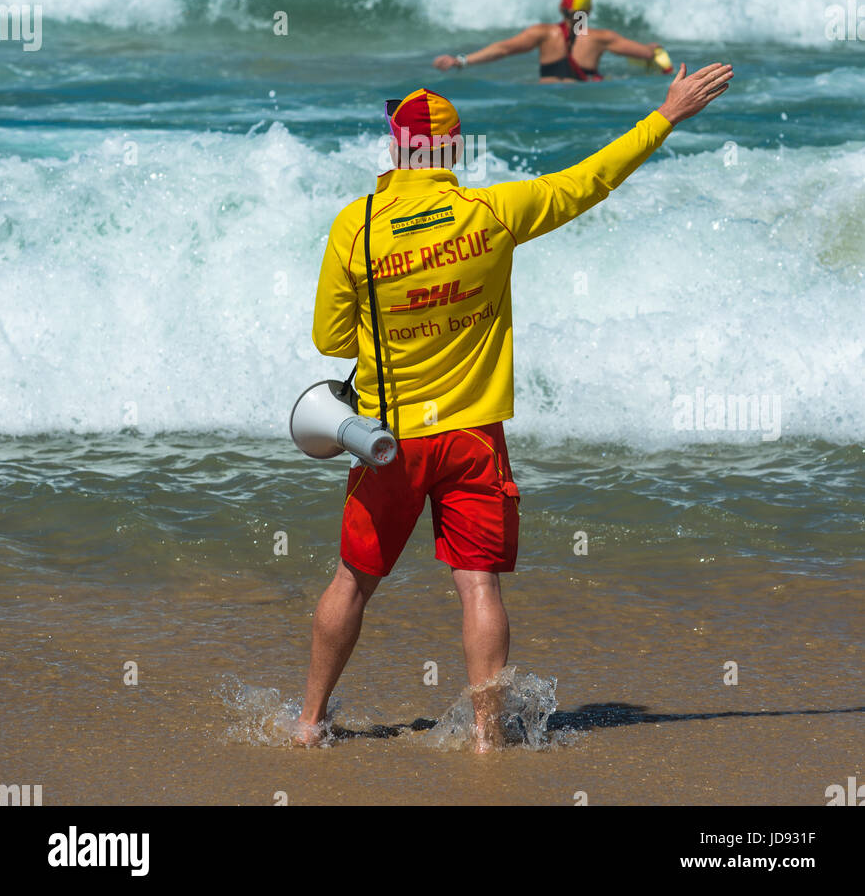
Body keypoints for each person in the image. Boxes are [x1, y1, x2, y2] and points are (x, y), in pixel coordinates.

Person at [297, 64, 733, 749]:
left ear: (395, 150)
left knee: (353, 581)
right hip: (473, 438)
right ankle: (484, 736)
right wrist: (665, 115)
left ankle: (307, 723)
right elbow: (588, 180)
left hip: (389, 441)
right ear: (454, 151)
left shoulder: (357, 226)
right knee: (479, 589)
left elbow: (329, 338)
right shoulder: (494, 213)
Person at [435, 0, 671, 83]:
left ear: (561, 8)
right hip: (583, 92)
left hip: (544, 89)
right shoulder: (601, 38)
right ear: (588, 11)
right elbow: (647, 54)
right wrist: (652, 48)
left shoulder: (543, 33)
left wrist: (461, 60)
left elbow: (503, 49)